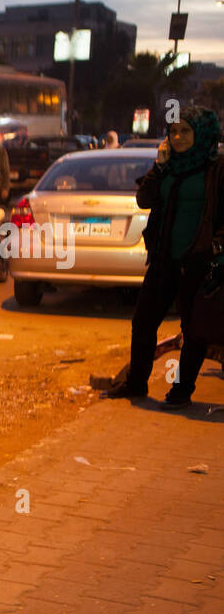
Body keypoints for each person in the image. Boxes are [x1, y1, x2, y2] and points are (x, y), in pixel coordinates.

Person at [104, 107, 224, 409]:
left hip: (199, 261)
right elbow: (143, 200)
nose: (178, 137)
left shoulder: (217, 168)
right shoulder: (170, 166)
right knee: (143, 321)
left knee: (194, 329)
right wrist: (159, 166)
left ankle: (182, 391)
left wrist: (218, 248)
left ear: (201, 134)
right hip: (163, 258)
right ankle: (136, 383)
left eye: (185, 131)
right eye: (173, 131)